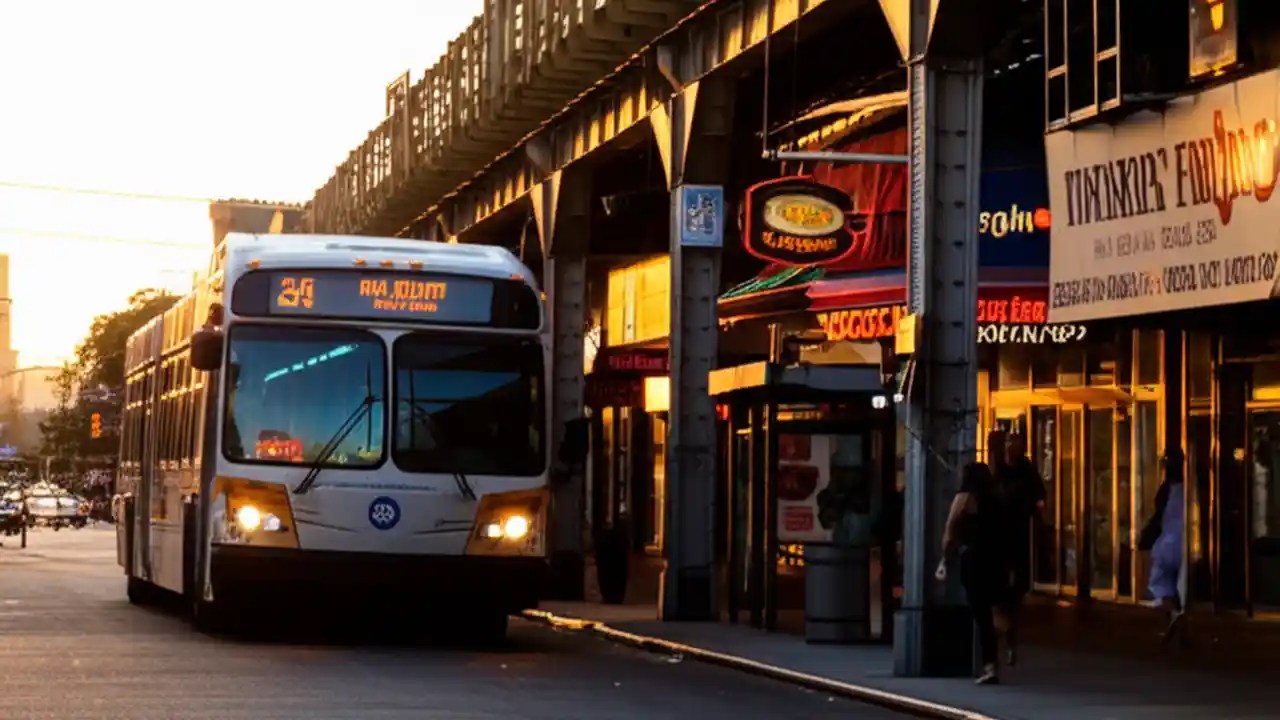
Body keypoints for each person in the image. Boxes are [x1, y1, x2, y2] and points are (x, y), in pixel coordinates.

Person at [939, 461, 1006, 685]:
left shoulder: (965, 498)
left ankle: (989, 664)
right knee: (995, 609)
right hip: (996, 558)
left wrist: (945, 556)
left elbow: (950, 527)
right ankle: (1002, 652)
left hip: (974, 559)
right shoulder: (997, 498)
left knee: (980, 612)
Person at [994, 432, 1045, 666]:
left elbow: (1038, 494)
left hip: (1020, 530)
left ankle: (1010, 609)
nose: (1011, 448)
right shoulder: (998, 469)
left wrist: (1039, 510)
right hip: (1001, 532)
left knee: (1019, 580)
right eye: (1008, 443)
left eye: (1016, 444)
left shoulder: (1026, 469)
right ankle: (1004, 618)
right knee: (1003, 582)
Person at [1139, 447, 1186, 644]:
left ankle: (1173, 614)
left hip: (1167, 543)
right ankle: (1178, 623)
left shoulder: (1166, 490)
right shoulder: (1187, 488)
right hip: (1184, 543)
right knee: (1177, 586)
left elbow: (1159, 514)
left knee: (1160, 585)